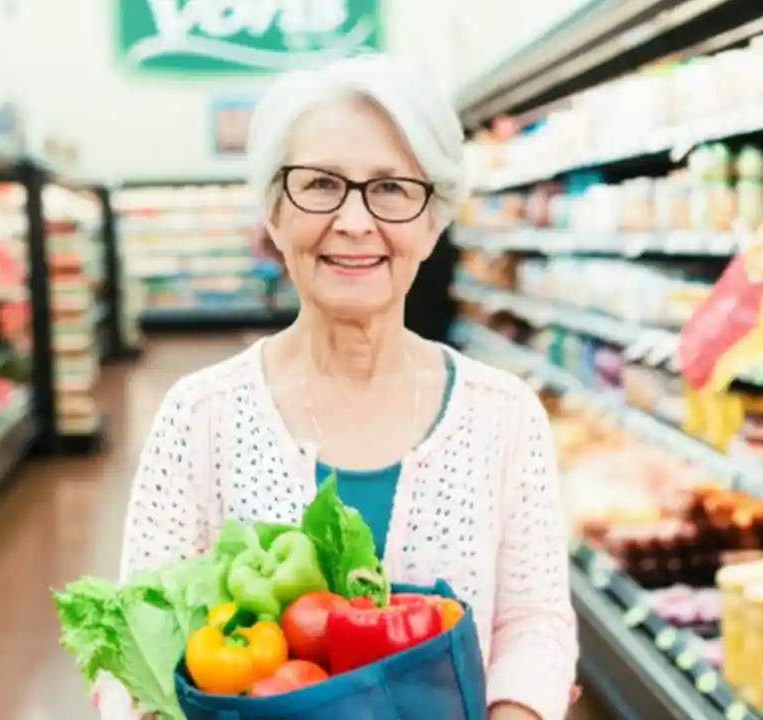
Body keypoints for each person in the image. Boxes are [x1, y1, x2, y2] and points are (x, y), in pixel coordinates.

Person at [101, 54, 577, 720]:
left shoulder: (505, 416)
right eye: (320, 184)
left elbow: (534, 623)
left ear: (433, 219)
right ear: (273, 213)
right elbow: (136, 638)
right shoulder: (199, 416)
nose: (354, 221)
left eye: (390, 188)